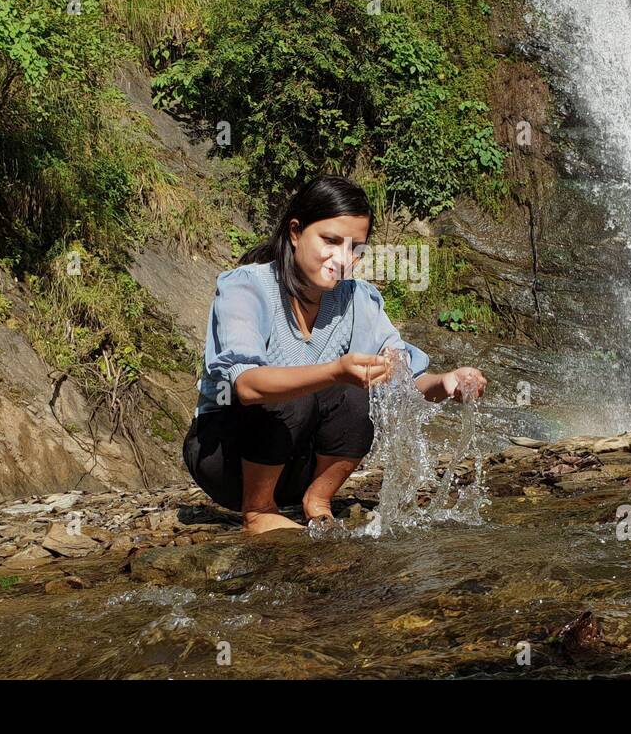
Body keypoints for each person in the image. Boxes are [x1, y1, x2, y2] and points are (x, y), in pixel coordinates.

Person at [183, 175, 487, 534]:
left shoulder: (357, 298)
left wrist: (446, 382)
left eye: (355, 248)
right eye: (329, 241)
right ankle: (258, 510)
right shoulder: (245, 287)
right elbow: (249, 387)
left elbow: (405, 379)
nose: (343, 259)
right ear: (295, 232)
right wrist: (335, 370)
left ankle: (318, 500)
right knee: (295, 391)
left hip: (296, 465)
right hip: (226, 458)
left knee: (355, 396)